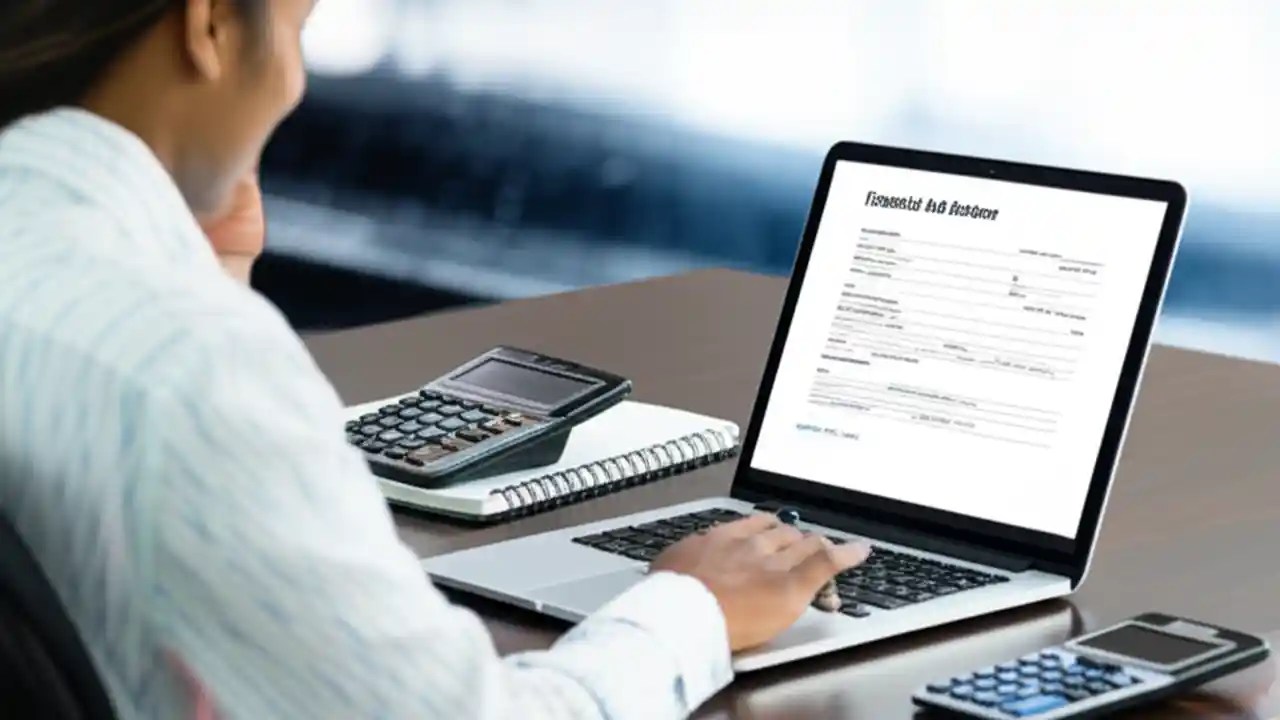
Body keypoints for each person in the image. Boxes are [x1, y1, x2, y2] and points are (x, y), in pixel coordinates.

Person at [0, 1, 871, 718]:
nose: (294, 83)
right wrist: (695, 608)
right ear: (211, 27)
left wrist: (204, 280)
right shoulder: (187, 368)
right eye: (300, 32)